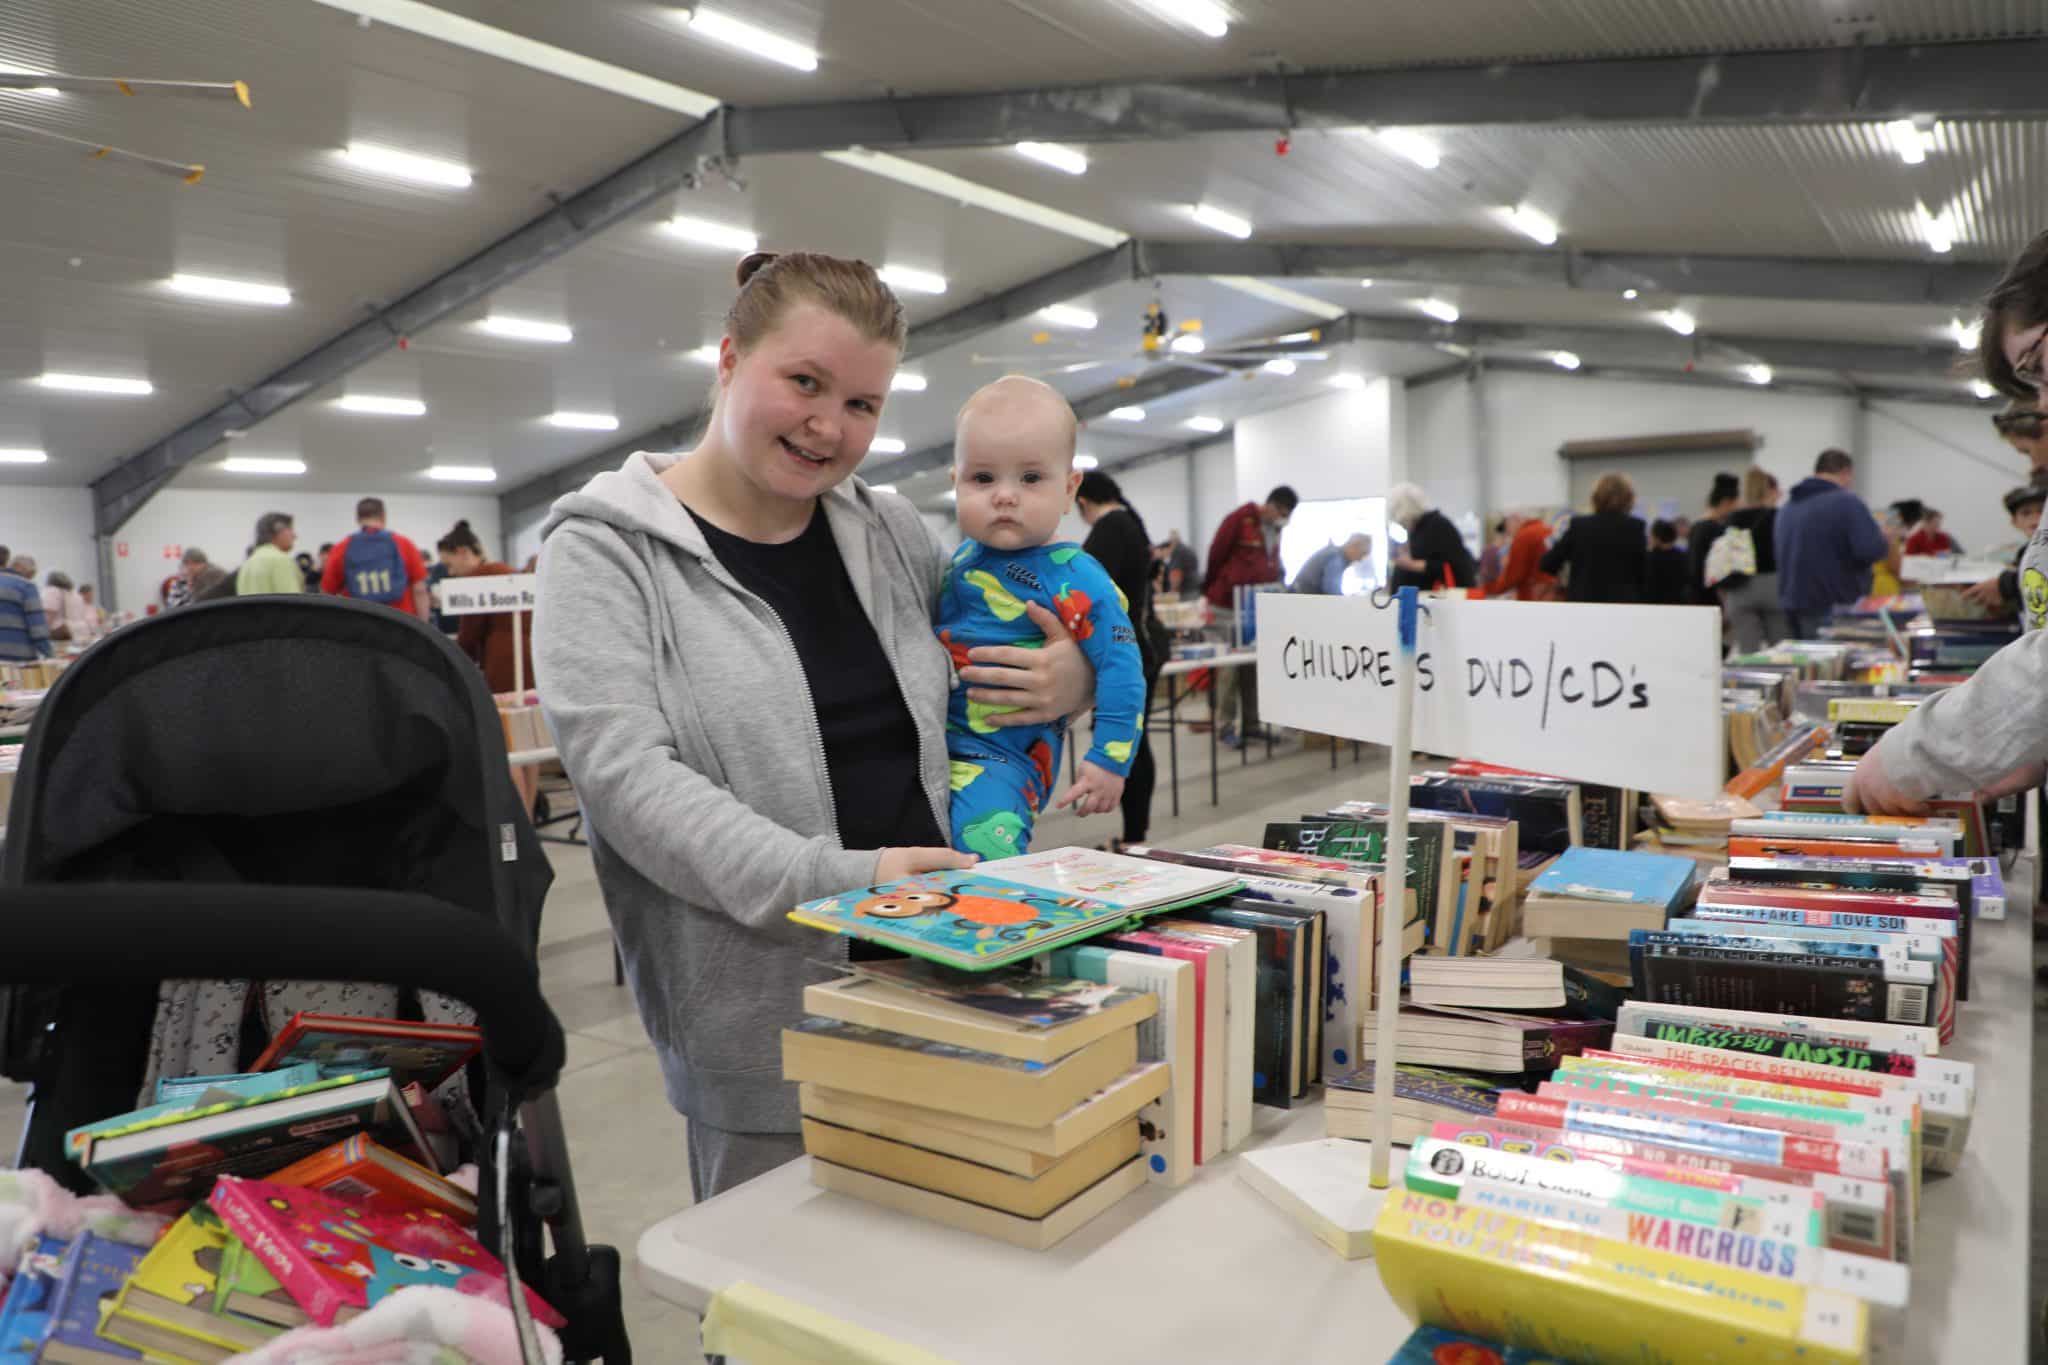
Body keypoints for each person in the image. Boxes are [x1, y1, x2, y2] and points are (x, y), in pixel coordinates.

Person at [533, 250, 1093, 1201]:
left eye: (864, 404)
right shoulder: (603, 555)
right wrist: (843, 880)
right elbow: (630, 786)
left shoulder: (887, 532)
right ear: (727, 360)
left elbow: (988, 672)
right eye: (804, 382)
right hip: (763, 1035)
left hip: (956, 972)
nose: (830, 426)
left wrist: (1068, 677)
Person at [940, 379, 1144, 859]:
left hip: (1004, 759)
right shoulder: (963, 558)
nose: (1005, 496)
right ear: (956, 483)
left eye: (1030, 479)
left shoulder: (1076, 577)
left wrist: (1108, 760)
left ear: (1070, 488)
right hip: (932, 742)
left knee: (981, 850)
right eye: (983, 479)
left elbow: (1123, 666)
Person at [1076, 469, 1168, 852]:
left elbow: (1083, 591)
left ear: (1081, 502)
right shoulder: (1130, 523)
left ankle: (1134, 839)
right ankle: (1134, 836)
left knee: (1130, 743)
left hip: (1129, 651)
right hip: (1141, 645)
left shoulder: (1110, 527)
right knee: (1135, 741)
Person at [1202, 484, 1297, 749]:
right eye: (1280, 512)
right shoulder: (1239, 519)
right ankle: (1225, 726)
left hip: (1254, 608)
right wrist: (1213, 589)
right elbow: (1216, 555)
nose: (1281, 518)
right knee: (1229, 669)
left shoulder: (1275, 531)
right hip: (1226, 605)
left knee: (1253, 666)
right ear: (1270, 505)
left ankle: (1252, 724)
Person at [1774, 450, 1894, 637]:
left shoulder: (1787, 508)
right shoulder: (1847, 502)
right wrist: (1884, 539)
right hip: (1835, 605)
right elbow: (1869, 549)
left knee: (1807, 662)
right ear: (1846, 473)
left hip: (1792, 603)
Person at [438, 521, 533, 694]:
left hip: (505, 665)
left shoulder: (479, 580)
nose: (450, 573)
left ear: (462, 553)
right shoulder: (504, 570)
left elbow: (468, 638)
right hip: (531, 661)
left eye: (449, 565)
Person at [1540, 473, 1647, 603]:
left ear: (1595, 498)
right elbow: (1644, 572)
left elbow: (1548, 564)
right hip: (1622, 606)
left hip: (1584, 604)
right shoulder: (1636, 528)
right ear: (1629, 499)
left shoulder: (1579, 526)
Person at [1717, 467, 1790, 652]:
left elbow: (1727, 555)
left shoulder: (1733, 519)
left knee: (1747, 649)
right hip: (1773, 584)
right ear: (1768, 489)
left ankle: (1749, 680)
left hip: (1741, 586)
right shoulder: (1778, 516)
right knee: (1779, 647)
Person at [323, 497, 429, 617]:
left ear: (358, 519)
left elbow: (327, 594)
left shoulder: (342, 548)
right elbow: (420, 590)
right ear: (384, 516)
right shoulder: (404, 544)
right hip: (401, 624)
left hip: (360, 624)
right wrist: (423, 625)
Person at [1962, 486, 2045, 616]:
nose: (2035, 518)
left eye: (2042, 511)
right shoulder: (2025, 553)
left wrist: (2004, 585)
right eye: (2026, 513)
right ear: (2014, 522)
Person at [1388, 484, 1477, 592]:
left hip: (1442, 597)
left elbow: (1450, 565)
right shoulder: (1418, 529)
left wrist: (1410, 564)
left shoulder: (1435, 526)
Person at [1684, 473, 1740, 604]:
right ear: (1726, 502)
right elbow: (1720, 573)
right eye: (1736, 504)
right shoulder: (1718, 530)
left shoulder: (1696, 527)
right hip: (1711, 599)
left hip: (1693, 596)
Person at [1480, 510, 1559, 601]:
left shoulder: (1524, 536)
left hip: (1532, 595)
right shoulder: (1547, 530)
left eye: (1507, 524)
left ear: (1515, 519)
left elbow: (1513, 575)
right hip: (1550, 592)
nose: (1508, 530)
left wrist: (1488, 589)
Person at [235, 512, 304, 597]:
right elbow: (294, 602)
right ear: (277, 531)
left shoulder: (248, 563)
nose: (295, 536)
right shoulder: (281, 560)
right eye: (290, 529)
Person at [0, 556, 51, 662]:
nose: (30, 578)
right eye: (30, 574)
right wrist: (49, 653)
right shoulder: (26, 586)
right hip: (18, 657)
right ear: (18, 567)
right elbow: (37, 627)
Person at [1291, 534, 1370, 595]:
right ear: (1354, 546)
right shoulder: (1336, 559)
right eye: (1362, 554)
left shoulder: (1332, 553)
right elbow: (1332, 591)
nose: (1360, 560)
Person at [39, 570, 99, 646]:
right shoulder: (75, 594)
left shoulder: (52, 591)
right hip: (78, 632)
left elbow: (48, 615)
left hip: (61, 632)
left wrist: (41, 632)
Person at [1643, 519, 1688, 604]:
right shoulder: (1683, 557)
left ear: (1657, 537)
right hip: (1678, 603)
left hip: (1652, 604)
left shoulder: (1649, 558)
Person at [1157, 530, 1198, 598]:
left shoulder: (1178, 551)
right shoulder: (1189, 550)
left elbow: (1176, 574)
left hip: (1185, 591)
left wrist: (1172, 592)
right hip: (1195, 588)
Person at [1477, 519, 1508, 585]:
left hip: (1489, 586)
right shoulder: (1501, 551)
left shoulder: (1486, 549)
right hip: (1495, 587)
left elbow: (1483, 571)